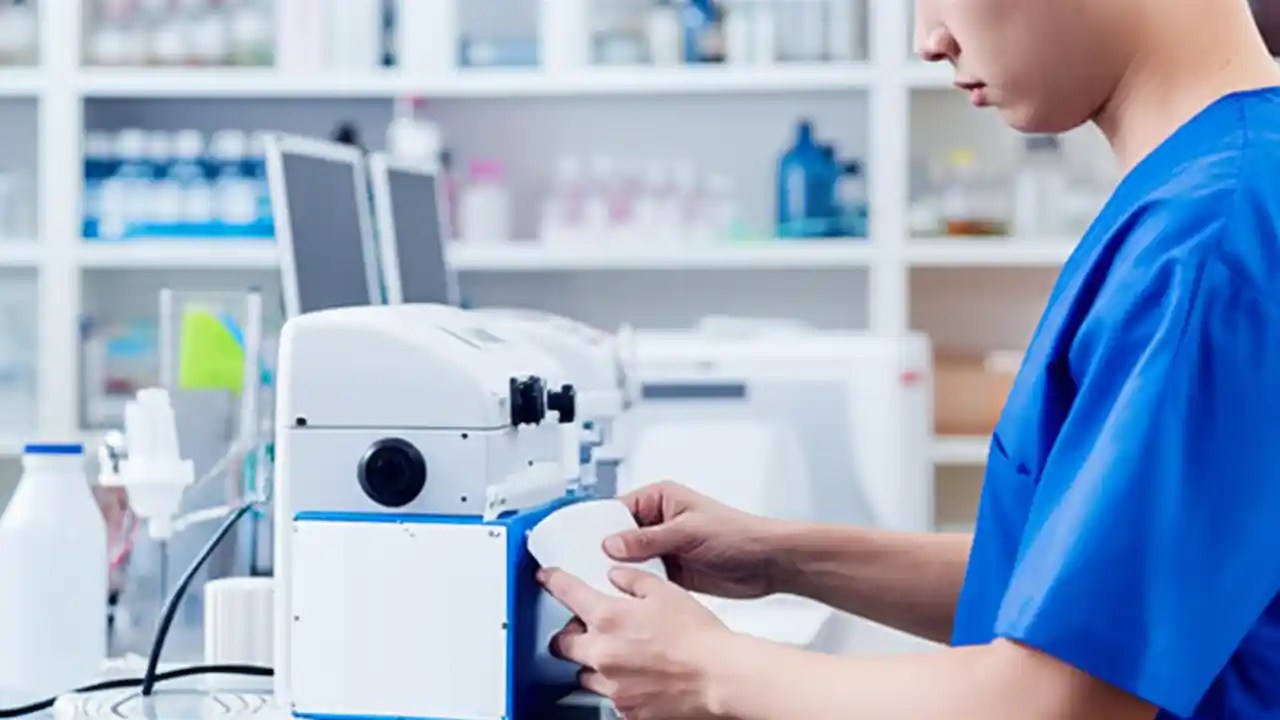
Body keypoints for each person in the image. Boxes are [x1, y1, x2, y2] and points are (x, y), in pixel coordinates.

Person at [538, 0, 1280, 717]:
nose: (928, 38)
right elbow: (1102, 598)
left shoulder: (1211, 233)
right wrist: (781, 558)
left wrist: (708, 671)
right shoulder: (1222, 185)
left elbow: (1056, 702)